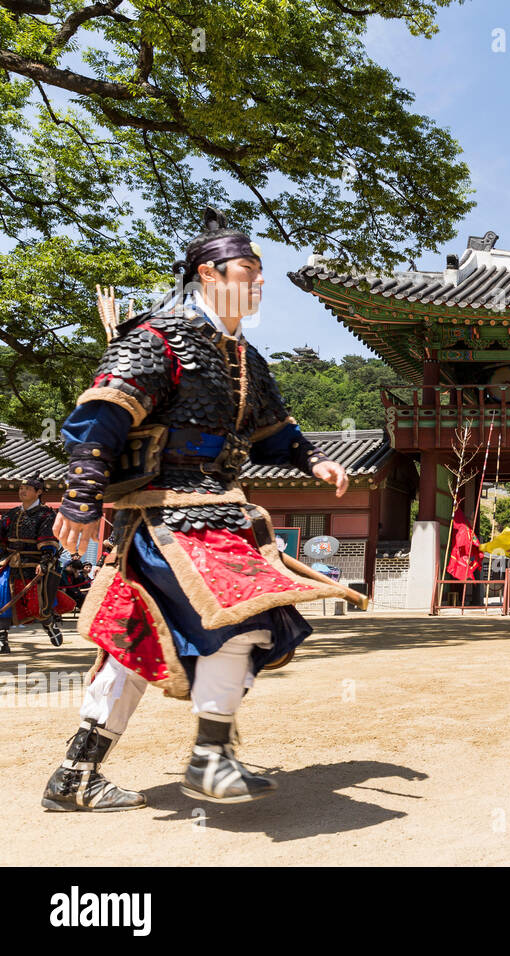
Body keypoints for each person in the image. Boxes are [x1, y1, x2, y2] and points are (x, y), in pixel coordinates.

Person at [41, 207, 362, 812]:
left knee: (137, 640)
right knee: (243, 613)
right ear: (207, 275)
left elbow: (273, 431)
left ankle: (74, 776)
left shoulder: (245, 357)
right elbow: (103, 417)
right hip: (167, 516)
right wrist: (80, 498)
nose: (259, 282)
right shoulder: (156, 338)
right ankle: (211, 757)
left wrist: (312, 458)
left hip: (215, 512)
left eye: (261, 272)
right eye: (248, 269)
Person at [0, 476, 76, 652]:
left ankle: (49, 624)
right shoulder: (11, 514)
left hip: (36, 564)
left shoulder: (47, 514)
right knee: (2, 596)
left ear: (39, 492)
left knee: (37, 605)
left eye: (27, 488)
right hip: (11, 563)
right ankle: (2, 639)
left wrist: (45, 562)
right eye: (20, 488)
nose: (22, 491)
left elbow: (48, 541)